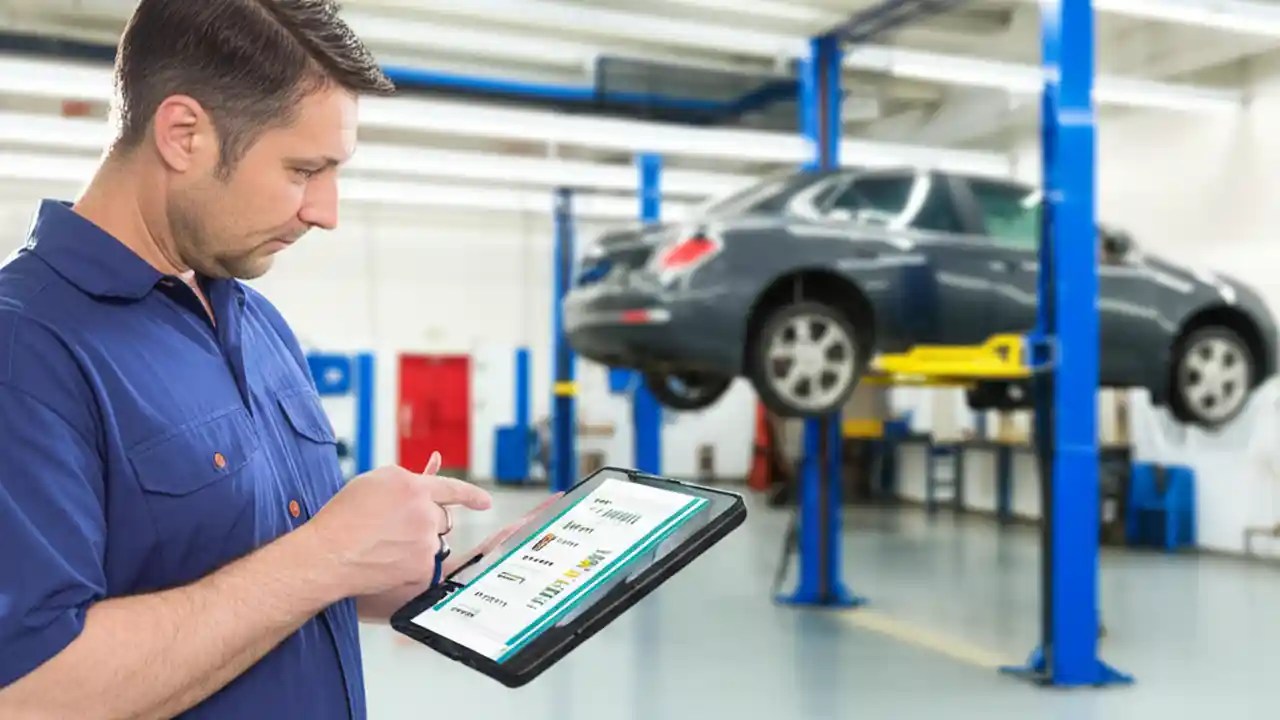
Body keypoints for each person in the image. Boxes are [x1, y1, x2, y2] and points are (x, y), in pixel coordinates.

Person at [0, 1, 550, 717]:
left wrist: (441, 573)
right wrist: (327, 555)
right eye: (303, 169)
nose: (327, 210)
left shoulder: (254, 321)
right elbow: (30, 690)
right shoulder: (28, 348)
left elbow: (269, 568)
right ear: (183, 134)